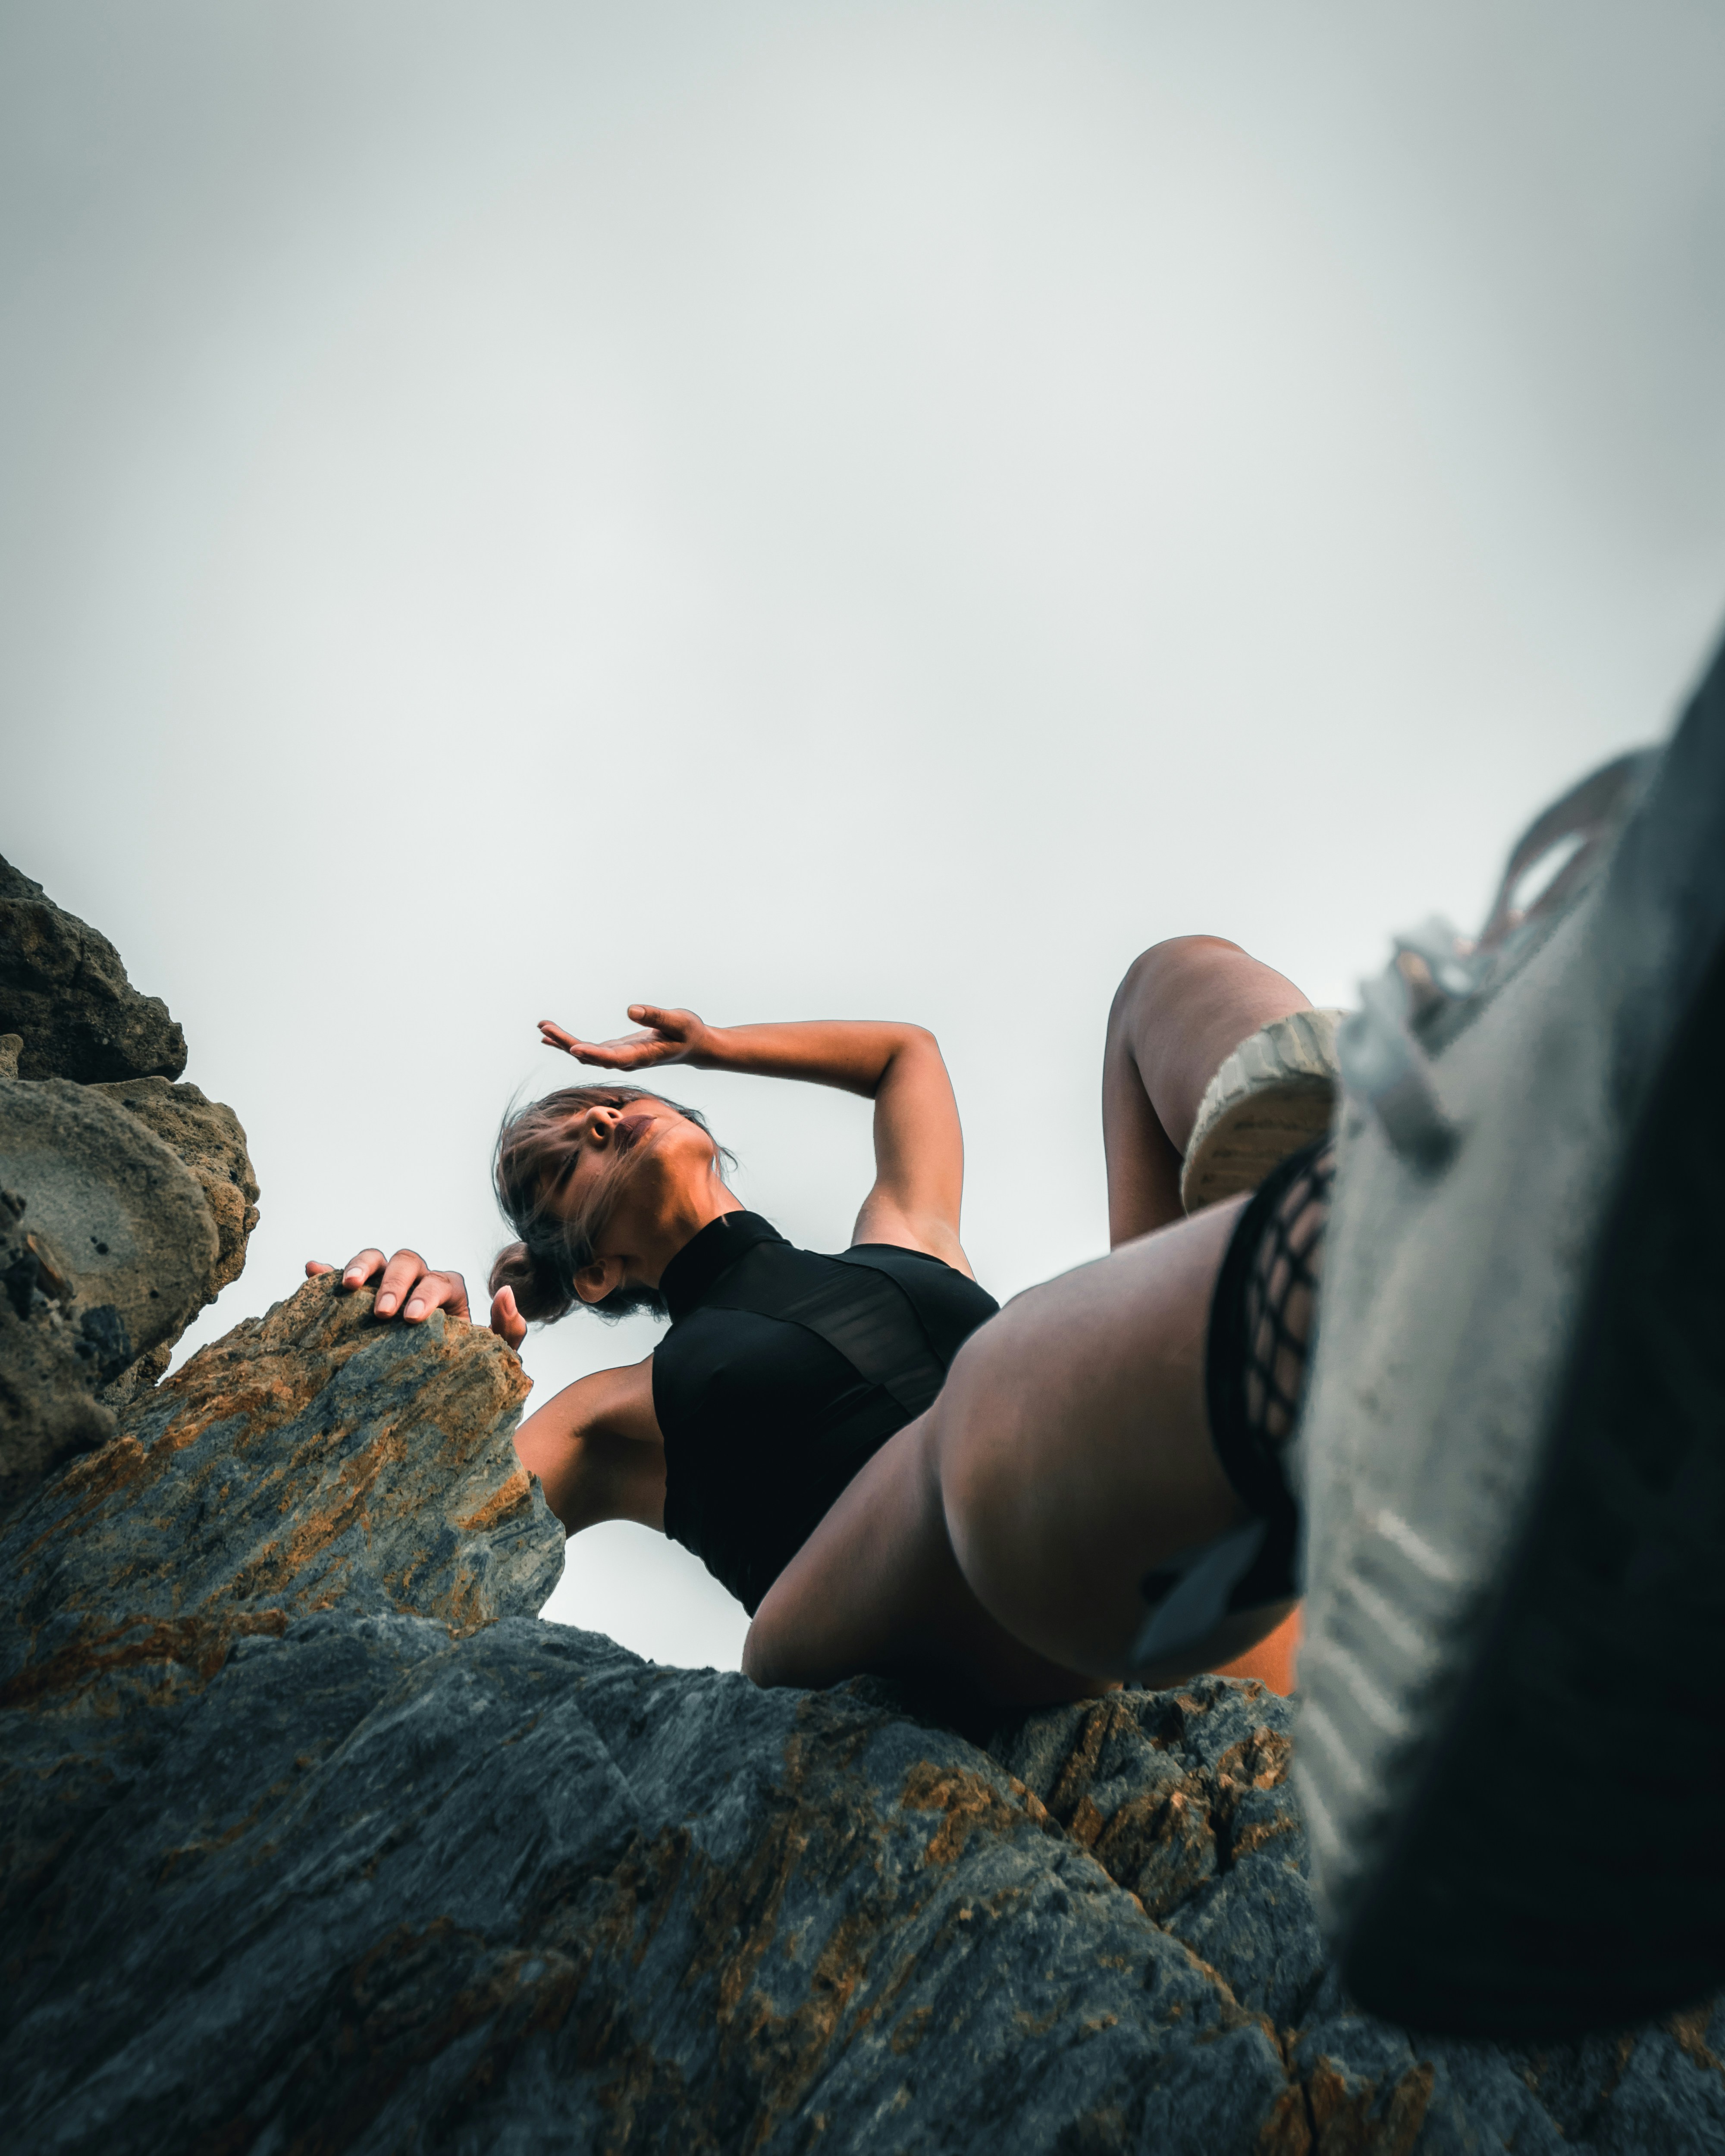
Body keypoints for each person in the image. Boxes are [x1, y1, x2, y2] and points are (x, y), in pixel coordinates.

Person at [307, 941, 1338, 1705]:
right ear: (594, 1276)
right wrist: (433, 1360)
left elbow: (907, 1056)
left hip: (1158, 1565)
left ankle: (1343, 1180)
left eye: (600, 1105)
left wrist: (710, 1047)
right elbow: (435, 1532)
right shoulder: (613, 1415)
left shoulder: (904, 1240)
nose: (604, 1116)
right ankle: (1294, 1270)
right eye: (567, 1159)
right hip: (909, 1617)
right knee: (1007, 1368)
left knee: (1163, 978)